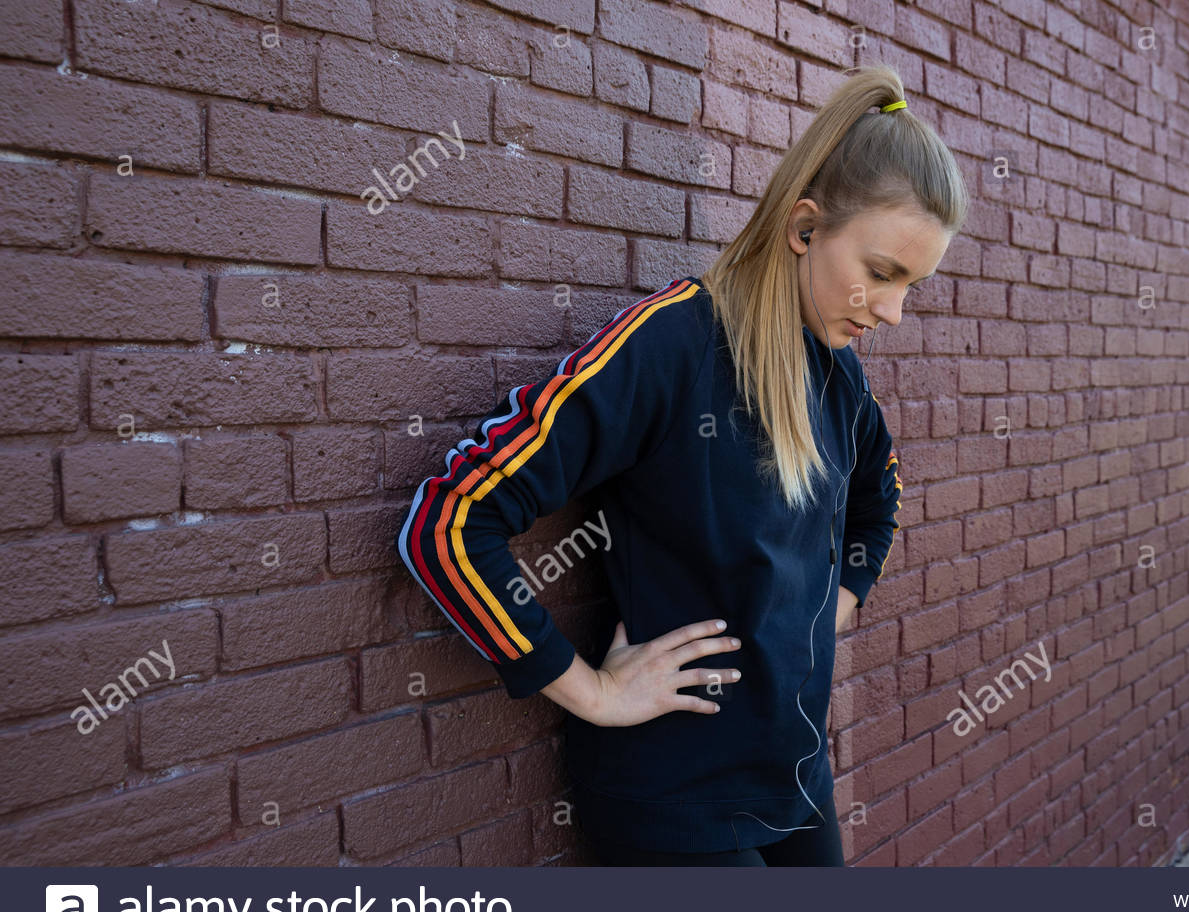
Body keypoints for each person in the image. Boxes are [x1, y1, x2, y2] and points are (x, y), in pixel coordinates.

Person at [395, 64, 968, 866]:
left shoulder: (840, 375)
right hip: (675, 802)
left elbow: (881, 491)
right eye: (880, 273)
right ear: (804, 228)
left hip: (796, 781)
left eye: (913, 284)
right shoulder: (671, 344)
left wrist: (838, 595)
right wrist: (587, 688)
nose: (895, 310)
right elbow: (448, 522)